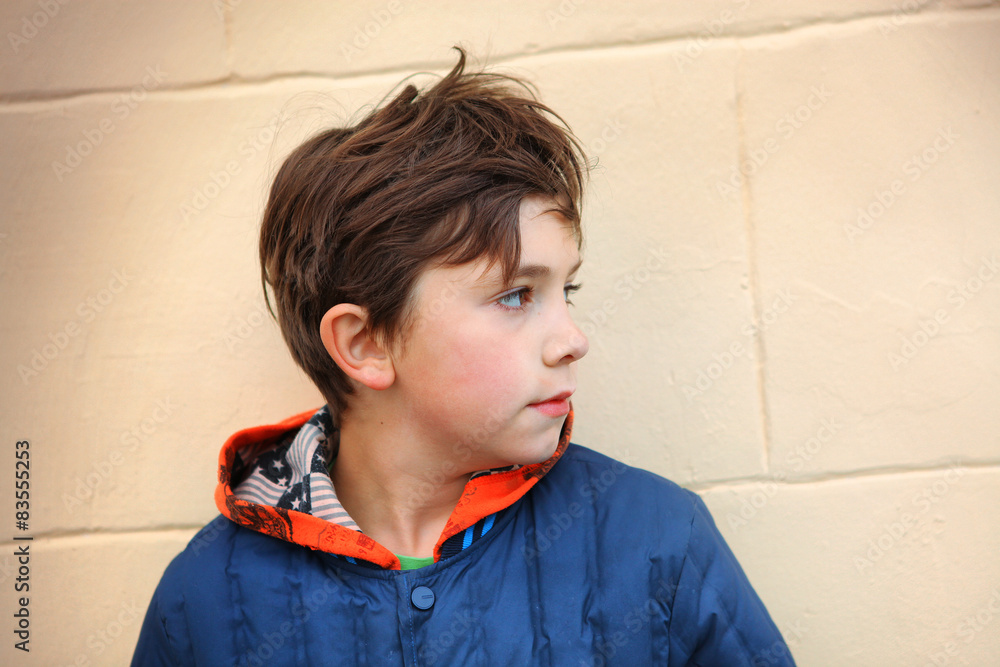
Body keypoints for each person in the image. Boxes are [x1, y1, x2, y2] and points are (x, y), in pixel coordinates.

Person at [131, 48, 795, 666]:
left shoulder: (656, 542)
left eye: (566, 290)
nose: (573, 339)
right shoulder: (207, 603)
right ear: (365, 343)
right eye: (515, 295)